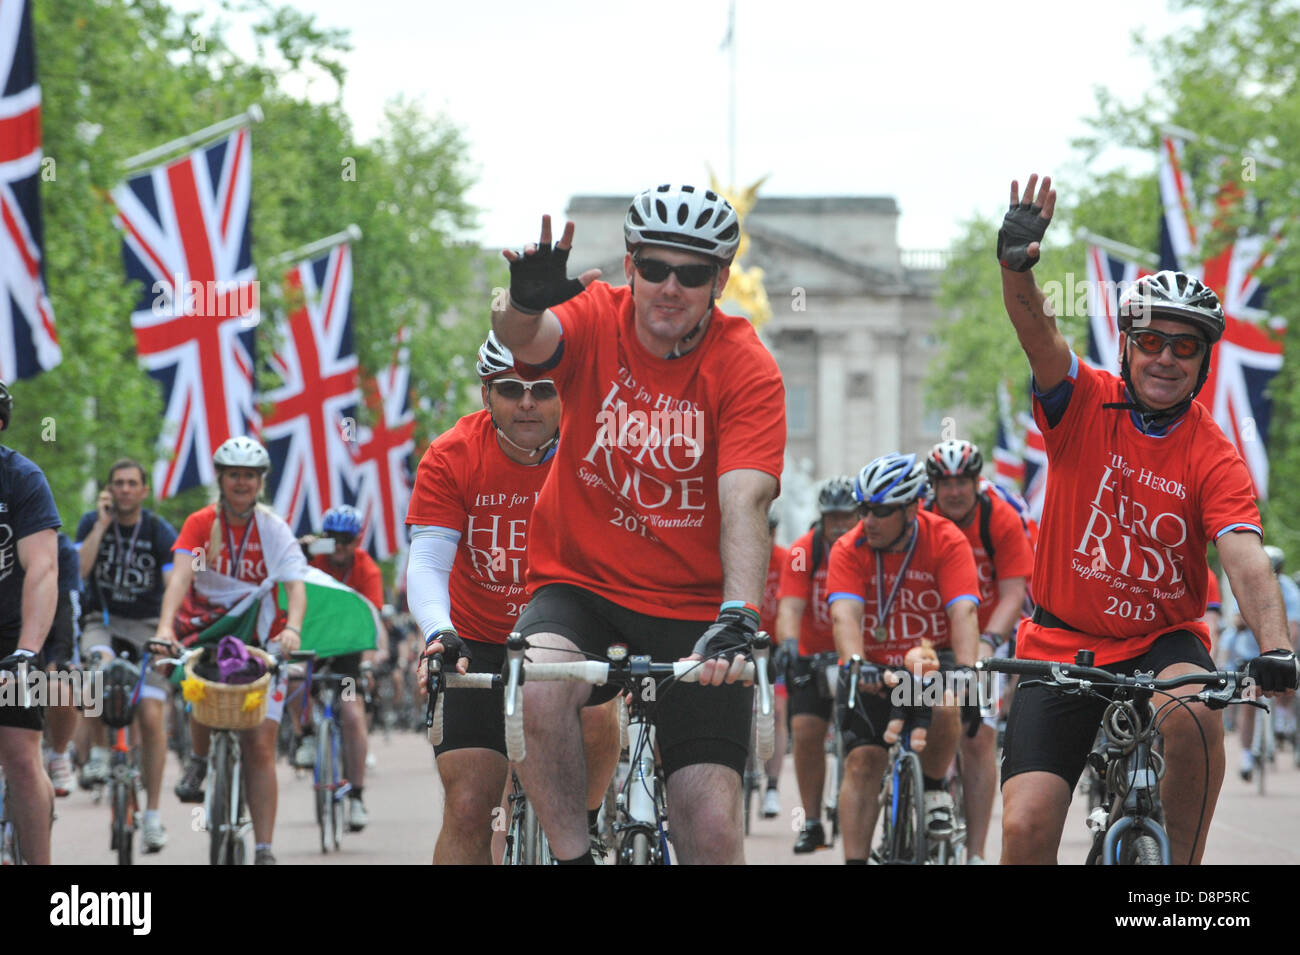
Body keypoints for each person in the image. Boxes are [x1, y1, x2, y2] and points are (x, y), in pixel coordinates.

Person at [994, 173, 1298, 865]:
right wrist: (1017, 266)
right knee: (1025, 829)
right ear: (1127, 346)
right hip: (1061, 642)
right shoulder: (1081, 401)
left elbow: (1243, 554)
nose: (1165, 357)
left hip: (1164, 639)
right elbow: (1035, 329)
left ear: (1203, 360)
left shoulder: (1213, 452)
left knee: (1194, 714)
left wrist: (1275, 645)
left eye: (1184, 347)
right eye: (1152, 341)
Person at [491, 186, 786, 864]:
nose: (670, 287)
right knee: (536, 684)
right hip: (581, 584)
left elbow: (744, 498)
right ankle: (573, 856)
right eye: (654, 267)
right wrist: (523, 300)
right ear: (630, 267)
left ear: (720, 278)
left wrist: (739, 614)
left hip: (694, 609)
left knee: (711, 833)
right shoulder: (595, 315)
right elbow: (523, 337)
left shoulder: (747, 366)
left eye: (692, 272)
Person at [406, 332, 620, 864]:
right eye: (510, 389)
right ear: (486, 395)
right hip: (475, 642)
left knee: (596, 713)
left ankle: (584, 825)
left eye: (544, 389)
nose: (527, 402)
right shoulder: (451, 455)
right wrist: (437, 633)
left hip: (571, 634)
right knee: (469, 807)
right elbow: (429, 562)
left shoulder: (597, 451)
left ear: (566, 394)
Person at [154, 436, 307, 865]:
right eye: (234, 475)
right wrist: (166, 626)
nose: (242, 483)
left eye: (250, 476)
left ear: (260, 482)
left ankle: (263, 849)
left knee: (260, 745)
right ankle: (199, 760)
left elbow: (295, 586)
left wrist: (293, 627)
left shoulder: (273, 528)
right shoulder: (200, 523)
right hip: (208, 630)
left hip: (262, 640)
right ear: (221, 479)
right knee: (203, 688)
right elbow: (182, 578)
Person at [825, 453, 980, 864]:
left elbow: (962, 611)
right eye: (863, 509)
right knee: (863, 761)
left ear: (912, 508)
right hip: (875, 666)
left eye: (880, 510)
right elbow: (845, 615)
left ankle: (933, 790)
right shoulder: (849, 547)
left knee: (946, 699)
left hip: (932, 658)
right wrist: (856, 662)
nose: (867, 520)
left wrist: (966, 673)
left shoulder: (945, 539)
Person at [924, 439, 1033, 865]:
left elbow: (1012, 593)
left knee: (978, 737)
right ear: (933, 486)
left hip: (985, 632)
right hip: (929, 634)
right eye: (945, 483)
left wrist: (988, 641)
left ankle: (975, 853)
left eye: (962, 482)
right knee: (919, 717)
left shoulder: (999, 519)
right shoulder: (920, 517)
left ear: (976, 482)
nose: (954, 491)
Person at [73, 458, 177, 850]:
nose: (125, 490)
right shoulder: (90, 523)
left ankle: (152, 815)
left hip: (148, 627)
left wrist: (168, 630)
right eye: (118, 483)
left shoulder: (158, 531)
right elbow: (79, 572)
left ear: (144, 490)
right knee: (100, 671)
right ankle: (99, 752)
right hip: (103, 621)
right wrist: (100, 526)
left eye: (133, 483)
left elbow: (173, 585)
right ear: (109, 489)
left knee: (151, 716)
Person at [782, 475, 858, 854]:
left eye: (848, 516)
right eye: (833, 518)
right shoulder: (802, 550)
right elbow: (791, 606)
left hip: (857, 655)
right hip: (814, 655)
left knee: (868, 736)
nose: (841, 525)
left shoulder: (870, 549)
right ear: (822, 519)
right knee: (806, 730)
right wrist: (790, 644)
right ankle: (812, 821)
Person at [296, 504, 382, 831]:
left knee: (351, 713)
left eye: (347, 540)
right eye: (333, 539)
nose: (340, 547)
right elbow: (279, 569)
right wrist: (299, 548)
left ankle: (357, 797)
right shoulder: (311, 557)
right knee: (292, 680)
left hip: (348, 651)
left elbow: (372, 622)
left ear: (357, 540)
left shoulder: (367, 569)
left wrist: (370, 663)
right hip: (311, 642)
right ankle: (305, 736)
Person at [0, 380, 58, 864]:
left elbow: (41, 568)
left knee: (20, 758)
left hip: (11, 631)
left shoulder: (22, 478)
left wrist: (27, 649)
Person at [1220, 545, 1299, 780]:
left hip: (1277, 652)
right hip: (1249, 657)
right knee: (1248, 704)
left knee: (1289, 684)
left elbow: (1294, 628)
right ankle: (1246, 756)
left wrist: (1288, 651)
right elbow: (1237, 619)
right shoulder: (1246, 585)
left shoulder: (1290, 591)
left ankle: (1284, 721)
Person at [40, 533, 83, 800]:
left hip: (50, 638)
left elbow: (67, 612)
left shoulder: (62, 549)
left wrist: (58, 661)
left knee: (59, 687)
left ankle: (59, 753)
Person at [758, 505, 788, 821]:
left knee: (778, 711)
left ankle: (772, 787)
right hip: (741, 641)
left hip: (775, 645)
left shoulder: (786, 561)